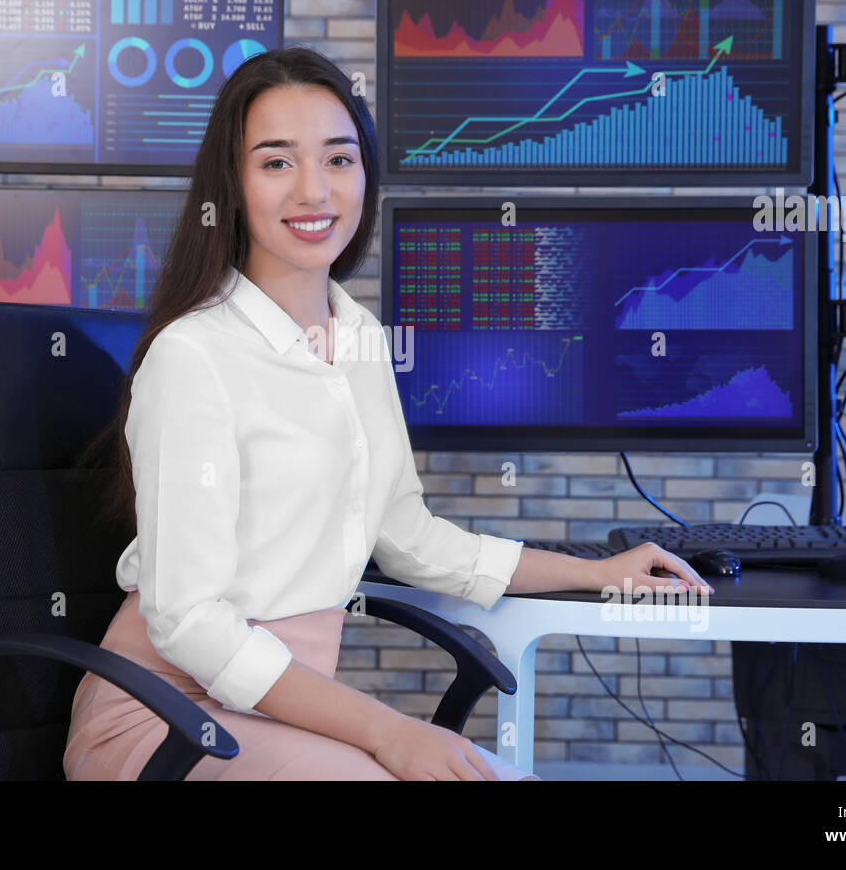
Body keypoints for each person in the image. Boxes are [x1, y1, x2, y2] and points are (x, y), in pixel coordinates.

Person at [63, 46, 711, 781]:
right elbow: (187, 622)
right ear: (233, 187)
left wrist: (596, 573)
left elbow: (408, 537)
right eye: (277, 162)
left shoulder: (363, 339)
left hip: (275, 715)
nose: (314, 190)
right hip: (164, 717)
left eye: (338, 160)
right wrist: (389, 732)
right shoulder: (194, 356)